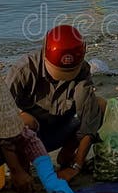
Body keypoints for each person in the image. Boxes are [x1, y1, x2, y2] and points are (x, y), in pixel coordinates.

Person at [6, 25, 105, 183]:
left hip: (59, 130)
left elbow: (89, 119)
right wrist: (16, 170)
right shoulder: (23, 71)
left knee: (99, 105)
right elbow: (0, 121)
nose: (63, 78)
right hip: (29, 137)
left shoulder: (82, 71)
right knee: (25, 121)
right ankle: (21, 166)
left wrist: (76, 167)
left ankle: (67, 157)